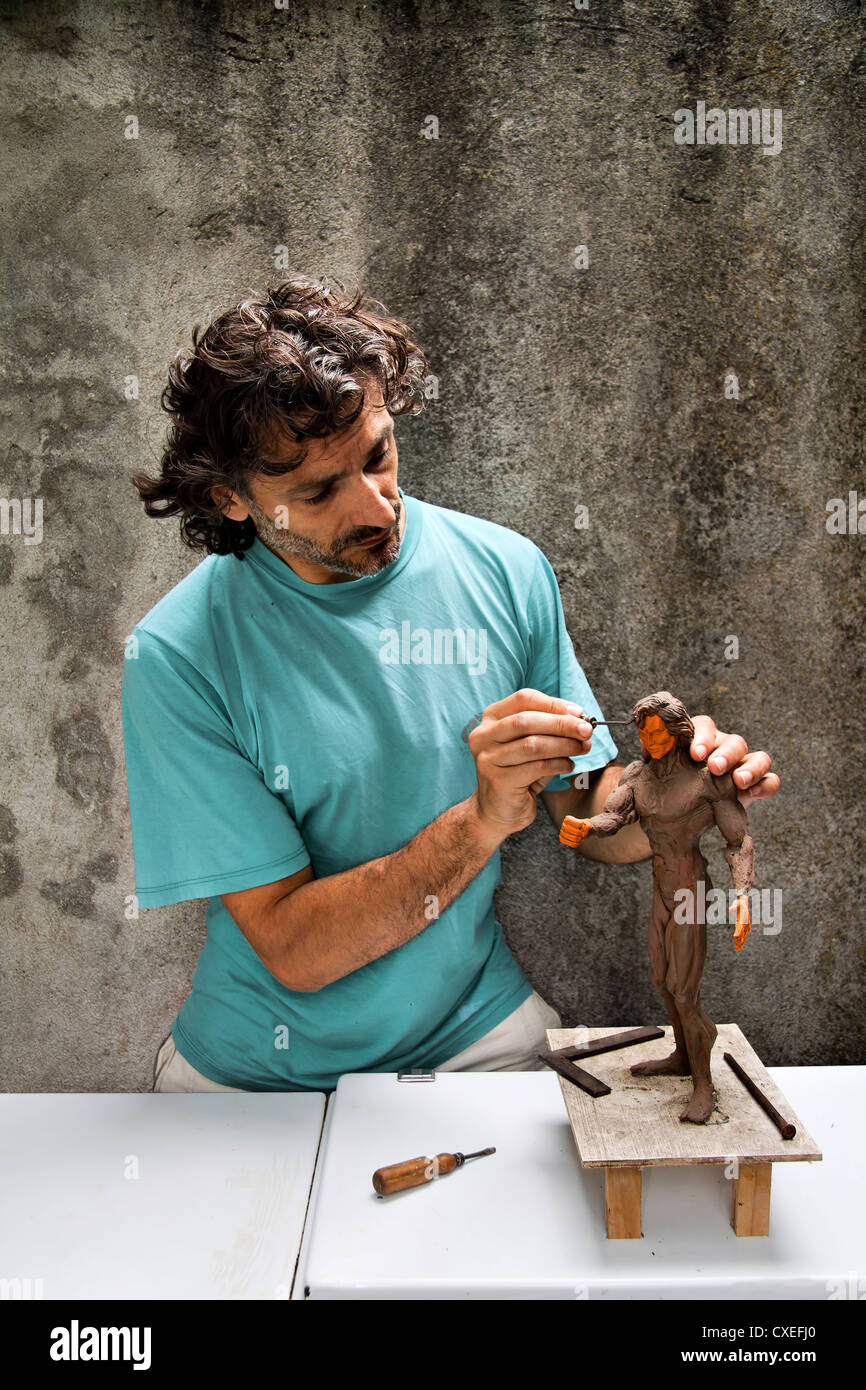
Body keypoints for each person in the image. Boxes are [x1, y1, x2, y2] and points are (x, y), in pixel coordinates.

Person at [122, 274, 778, 1094]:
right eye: (319, 492)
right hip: (264, 1073)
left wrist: (668, 790)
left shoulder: (505, 570)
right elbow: (295, 951)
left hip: (480, 1031)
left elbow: (584, 813)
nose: (375, 509)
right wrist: (480, 821)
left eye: (378, 455)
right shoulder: (179, 657)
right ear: (233, 499)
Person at [560, 692, 756, 1123]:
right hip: (661, 889)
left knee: (685, 991)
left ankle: (703, 1085)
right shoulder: (638, 776)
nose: (649, 738)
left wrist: (742, 897)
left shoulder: (706, 778)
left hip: (691, 891)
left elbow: (738, 840)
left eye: (657, 730)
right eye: (643, 731)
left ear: (677, 729)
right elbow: (615, 818)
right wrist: (586, 826)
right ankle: (684, 1056)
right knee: (662, 981)